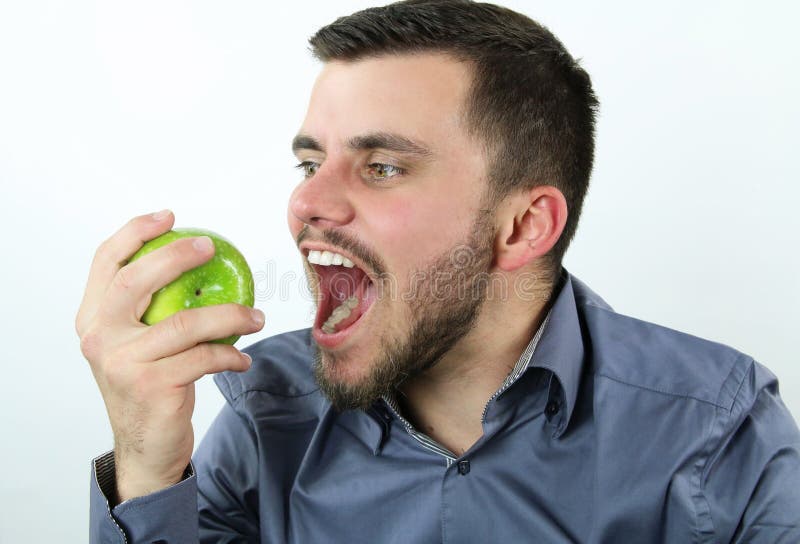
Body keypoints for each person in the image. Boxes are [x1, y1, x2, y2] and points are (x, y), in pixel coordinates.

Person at [80, 1, 800, 542]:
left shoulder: (716, 433)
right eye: (309, 162)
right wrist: (147, 464)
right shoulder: (265, 413)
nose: (305, 202)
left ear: (523, 226)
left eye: (382, 167)